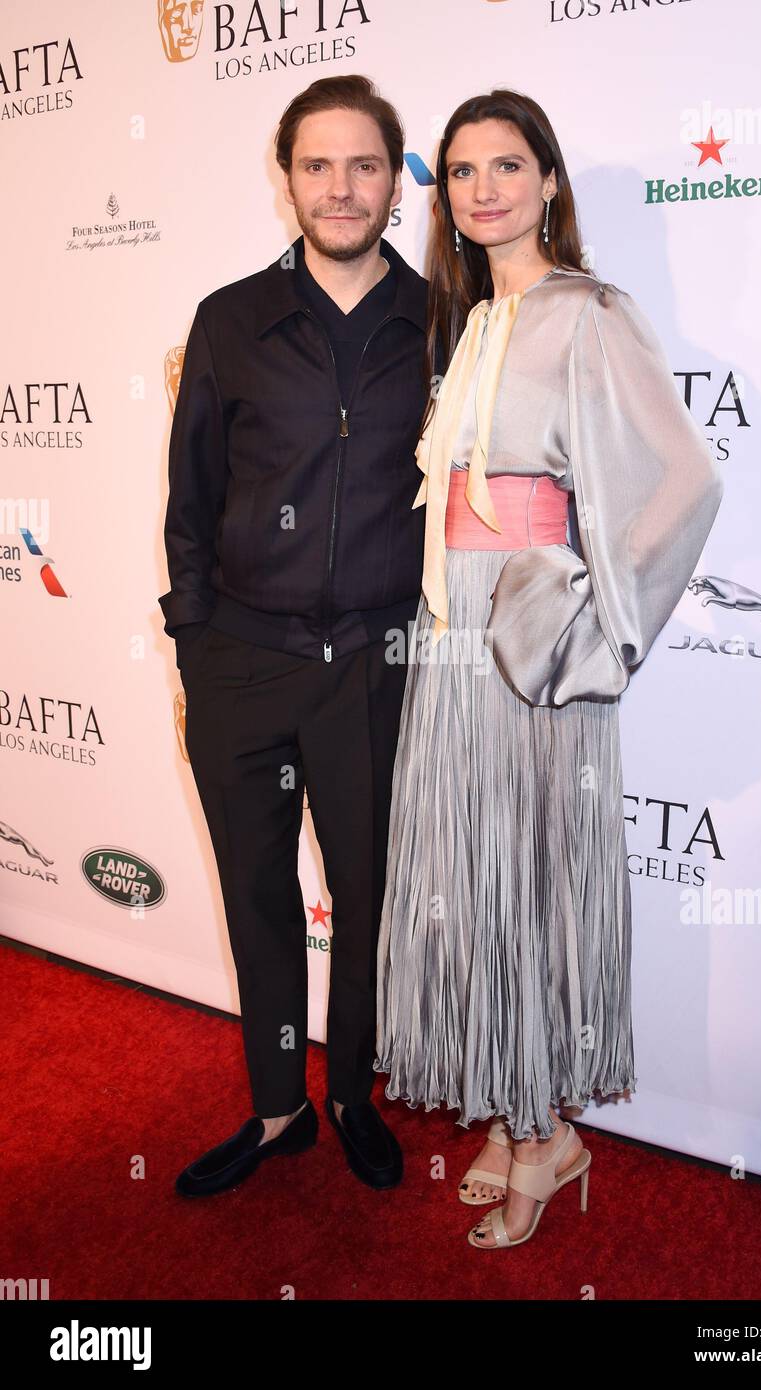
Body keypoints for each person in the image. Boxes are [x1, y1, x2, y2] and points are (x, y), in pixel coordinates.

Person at [373, 89, 724, 1248]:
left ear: (551, 183)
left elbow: (685, 481)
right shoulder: (469, 323)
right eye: (463, 170)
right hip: (450, 635)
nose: (483, 189)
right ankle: (519, 1113)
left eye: (508, 166)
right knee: (469, 877)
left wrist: (587, 610)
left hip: (527, 638)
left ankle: (545, 1130)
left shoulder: (590, 314)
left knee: (530, 882)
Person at [159, 75, 429, 1196]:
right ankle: (278, 1110)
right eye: (316, 165)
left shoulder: (444, 321)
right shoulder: (230, 317)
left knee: (364, 898)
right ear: (286, 180)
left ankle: (352, 1094)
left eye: (364, 164)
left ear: (396, 181)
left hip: (371, 665)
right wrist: (194, 646)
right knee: (256, 895)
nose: (340, 186)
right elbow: (189, 499)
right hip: (241, 664)